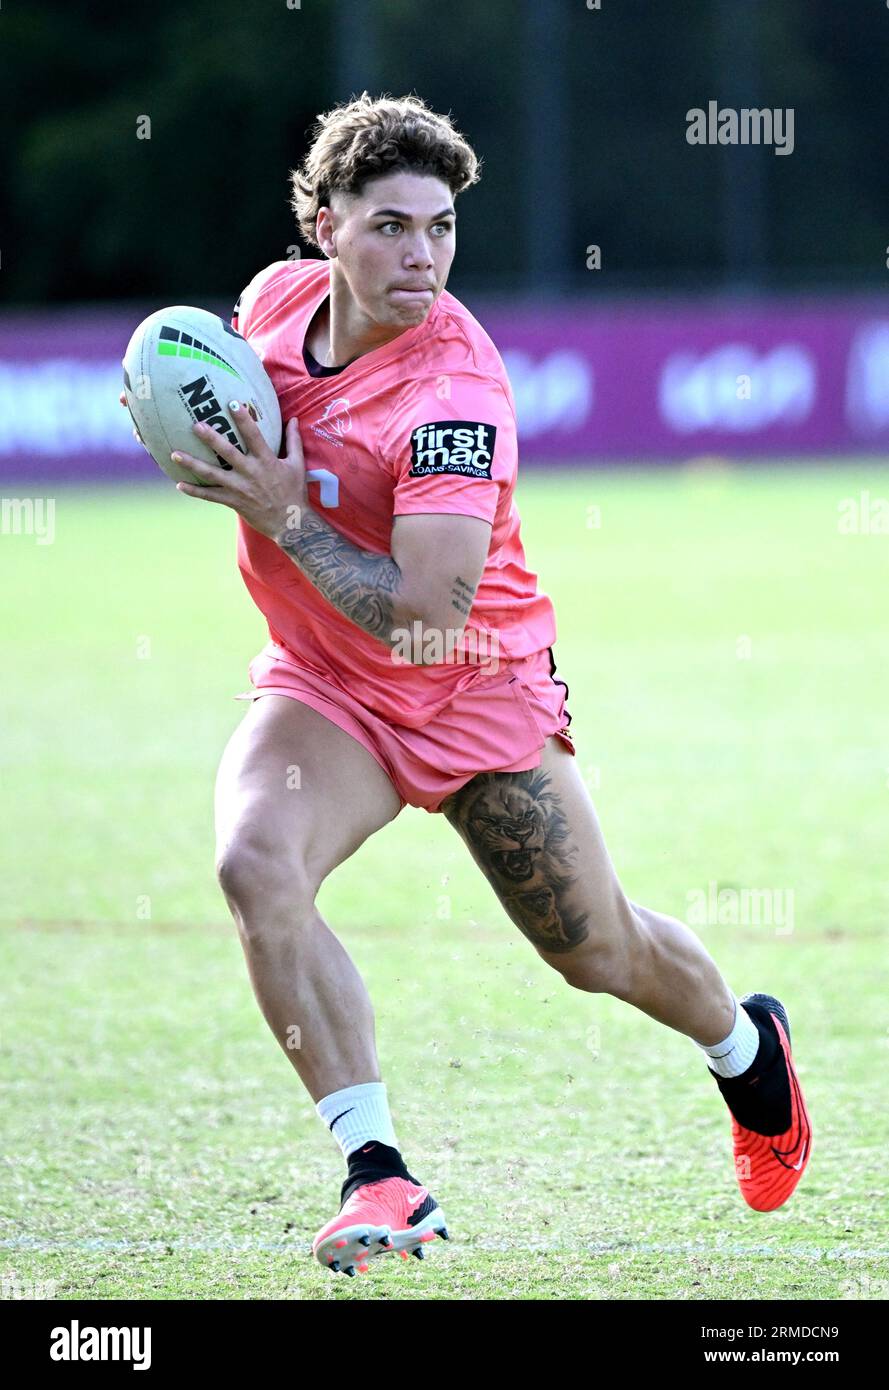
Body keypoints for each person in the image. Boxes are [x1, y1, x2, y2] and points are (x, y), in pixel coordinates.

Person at [136, 92, 811, 1277]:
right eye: (391, 225)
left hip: (468, 685)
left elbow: (430, 620)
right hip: (326, 686)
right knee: (254, 863)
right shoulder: (271, 307)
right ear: (323, 228)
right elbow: (222, 420)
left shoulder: (454, 394)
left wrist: (283, 514)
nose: (422, 255)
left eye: (440, 227)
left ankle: (744, 1047)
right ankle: (378, 1170)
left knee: (596, 952)